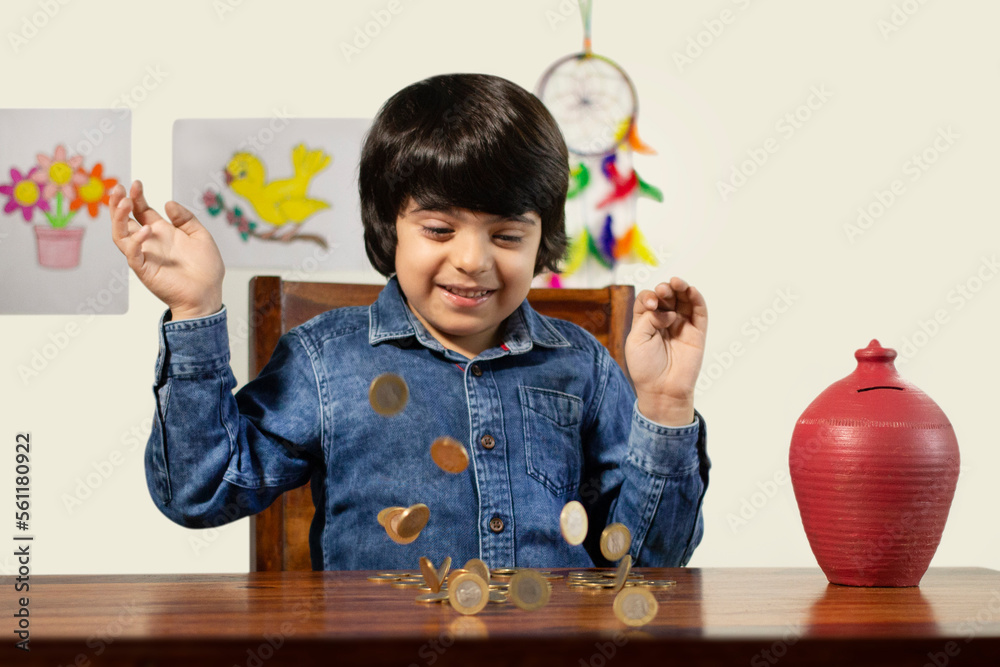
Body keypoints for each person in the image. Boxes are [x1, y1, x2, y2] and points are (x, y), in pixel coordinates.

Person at [109, 73, 710, 570]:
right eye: (440, 230)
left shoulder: (582, 364)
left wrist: (665, 403)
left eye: (506, 235)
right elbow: (198, 491)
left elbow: (650, 566)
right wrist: (195, 311)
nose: (473, 260)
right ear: (388, 227)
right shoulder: (326, 361)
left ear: (540, 240)